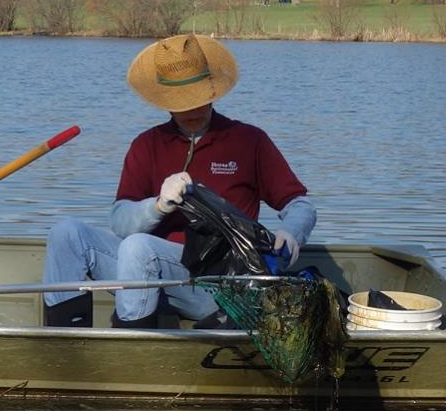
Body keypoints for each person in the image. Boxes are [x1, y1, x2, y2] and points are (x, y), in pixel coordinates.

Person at [42, 33, 316, 329]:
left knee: (137, 248)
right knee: (66, 234)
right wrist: (158, 206)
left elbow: (300, 205)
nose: (192, 110)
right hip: (141, 275)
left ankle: (130, 350)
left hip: (219, 285)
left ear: (212, 90)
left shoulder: (249, 141)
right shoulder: (146, 145)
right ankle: (65, 344)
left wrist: (291, 231)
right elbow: (120, 223)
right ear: (164, 100)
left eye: (198, 98)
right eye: (180, 102)